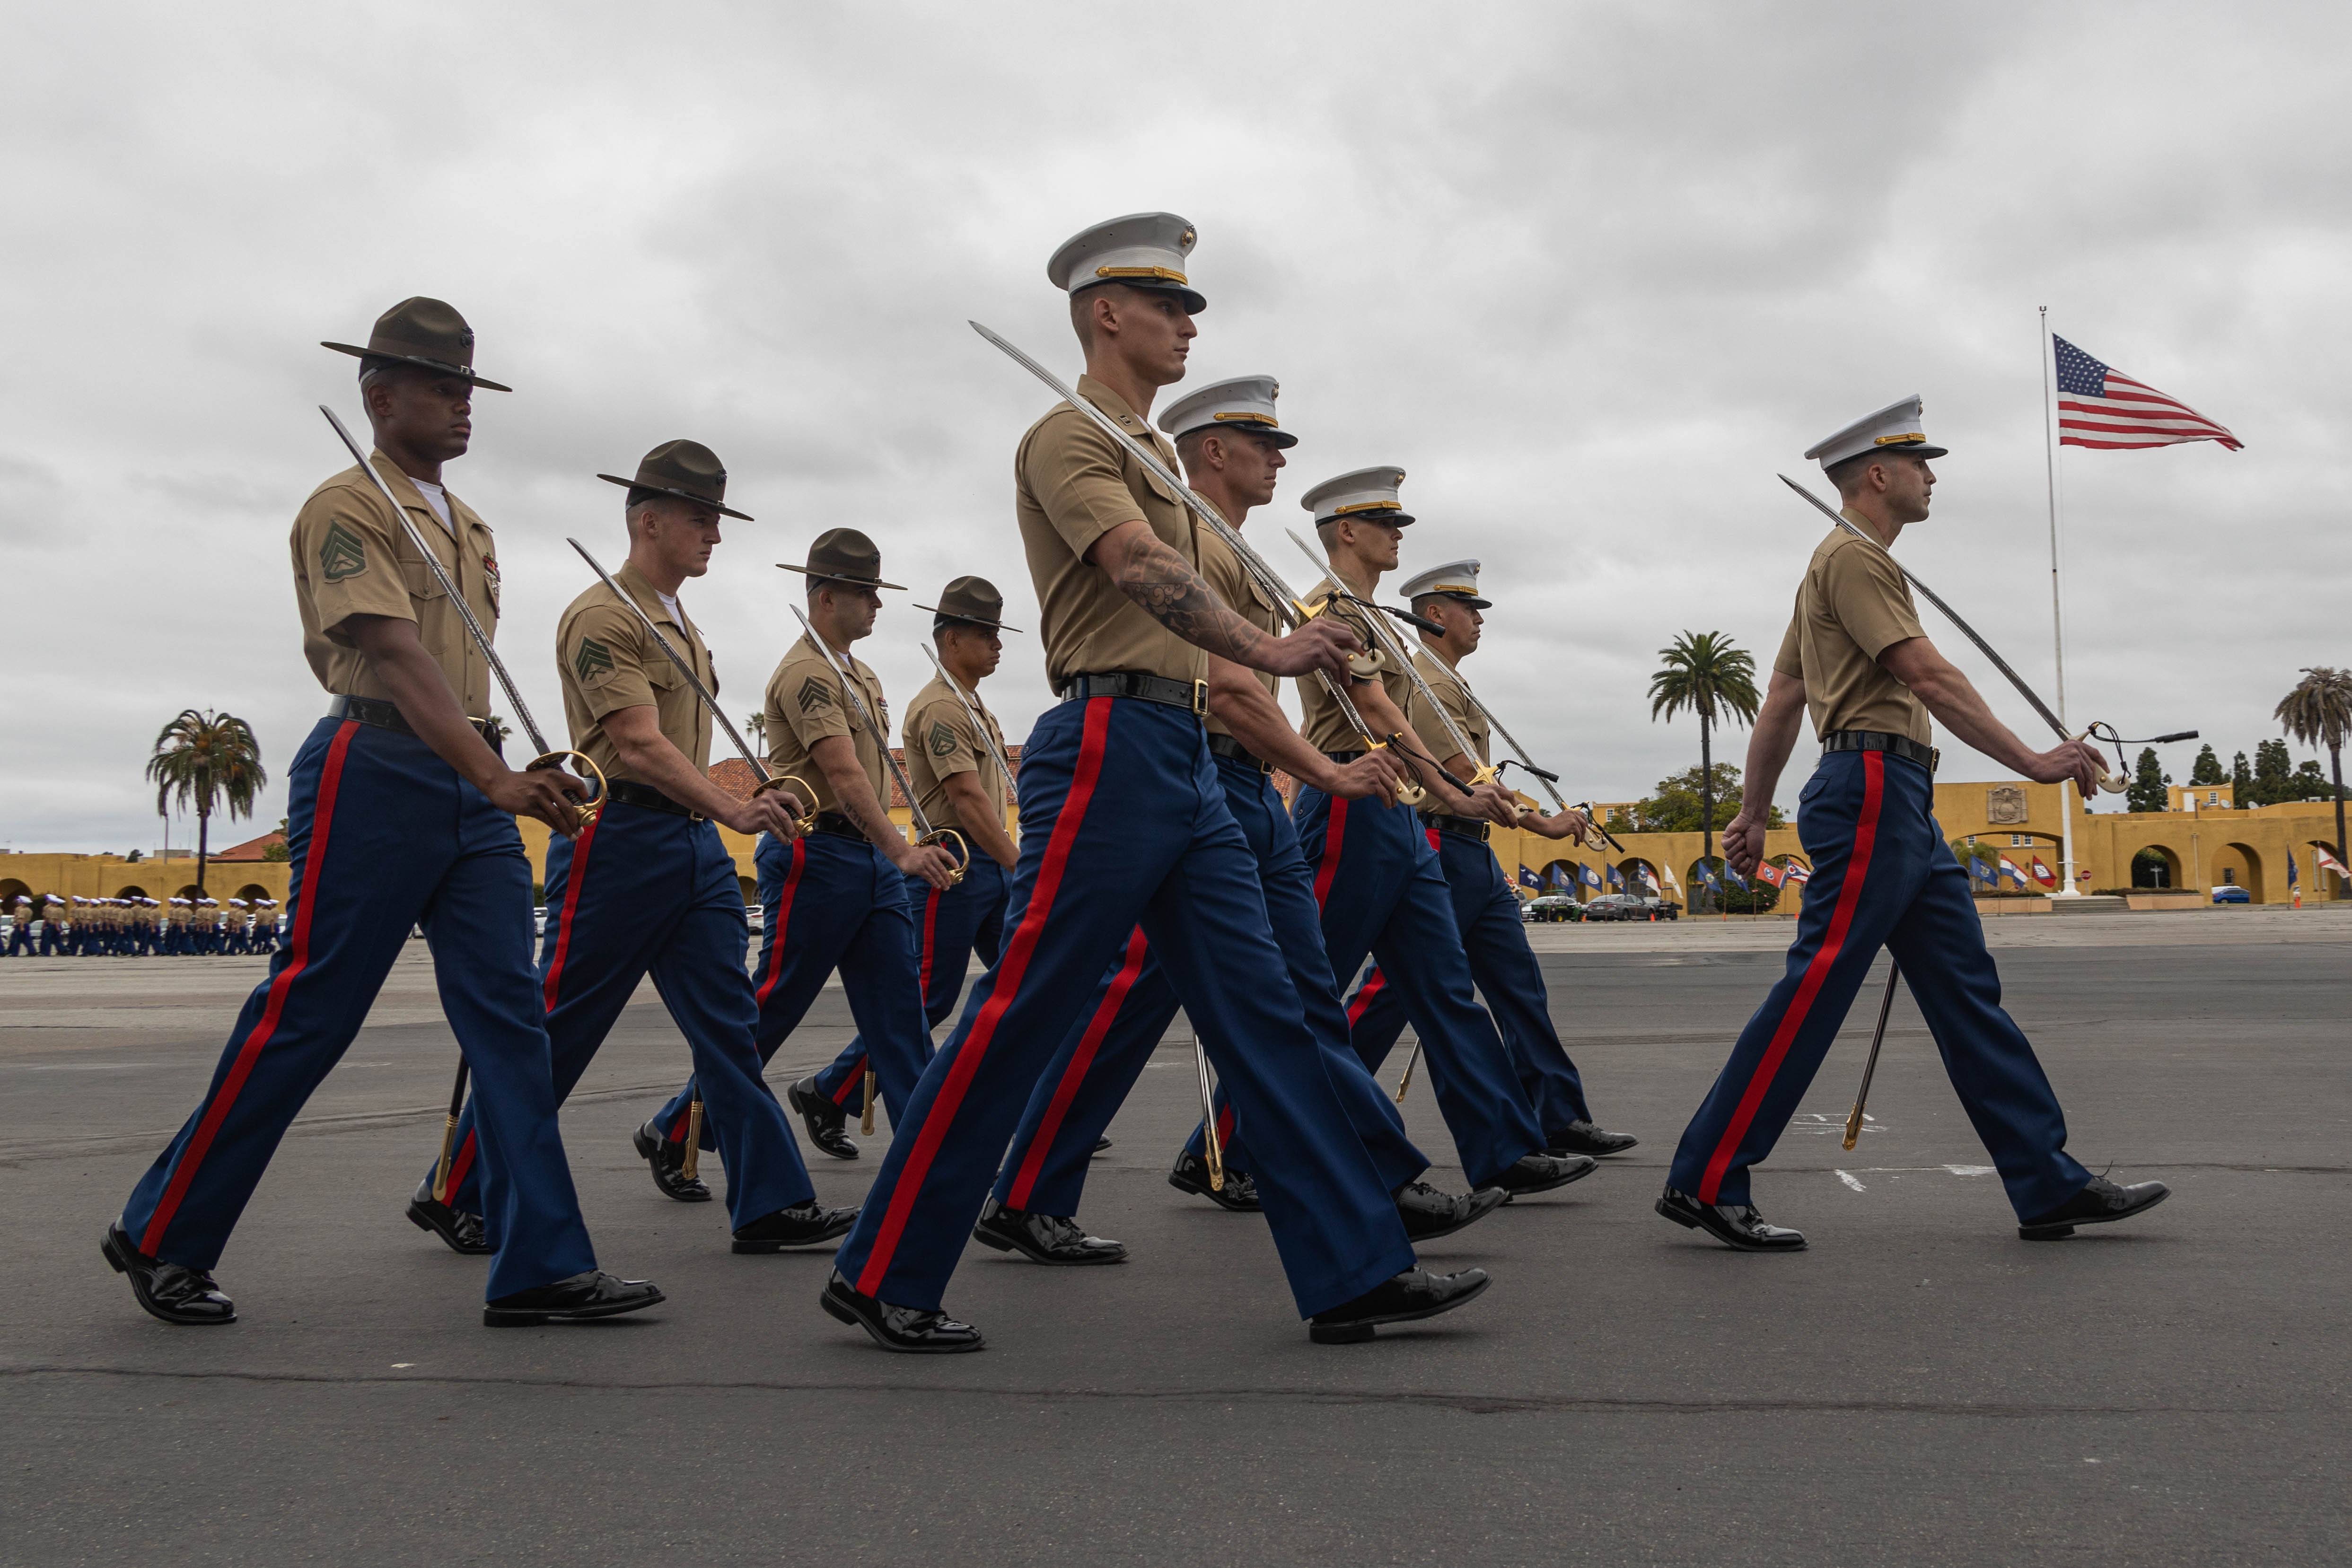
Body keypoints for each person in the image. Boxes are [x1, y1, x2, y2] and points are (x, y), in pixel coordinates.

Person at [821, 213, 1491, 1352]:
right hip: (1107, 744)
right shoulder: (1067, 440)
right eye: (1168, 304)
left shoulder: (1151, 466)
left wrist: (1275, 695)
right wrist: (1276, 653)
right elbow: (1137, 570)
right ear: (1103, 314)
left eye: (1190, 305)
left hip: (1184, 755)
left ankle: (1351, 1269)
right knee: (1026, 1005)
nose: (1187, 321)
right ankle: (883, 1265)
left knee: (1269, 1015)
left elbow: (1198, 611)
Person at [105, 298, 662, 1328]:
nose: (461, 407)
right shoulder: (346, 506)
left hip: (476, 778)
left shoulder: (474, 524)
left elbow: (464, 671)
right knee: (312, 1010)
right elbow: (398, 656)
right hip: (376, 765)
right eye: (441, 388)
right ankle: (164, 1227)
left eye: (467, 389)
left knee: (510, 1021)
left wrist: (501, 768)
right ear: (378, 395)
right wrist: (492, 779)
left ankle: (538, 1257)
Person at [981, 375, 1506, 1262]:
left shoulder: (1234, 556)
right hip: (1194, 773)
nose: (1279, 460)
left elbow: (1261, 695)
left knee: (1289, 1004)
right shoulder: (1198, 550)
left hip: (1233, 783)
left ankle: (1366, 1193)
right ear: (1211, 452)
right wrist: (1327, 779)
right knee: (1129, 1003)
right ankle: (1027, 1185)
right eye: (1262, 445)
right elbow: (1231, 686)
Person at [1659, 395, 2170, 1249]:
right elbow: (1926, 676)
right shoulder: (1855, 560)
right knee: (1818, 985)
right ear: (1877, 475)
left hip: (1897, 796)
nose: (1931, 478)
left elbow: (1784, 697)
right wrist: (2034, 763)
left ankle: (2045, 1183)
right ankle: (1705, 1179)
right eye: (1920, 464)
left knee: (1966, 993)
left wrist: (1752, 812)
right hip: (1869, 786)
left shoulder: (1836, 566)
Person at [402, 439, 853, 1260]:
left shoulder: (682, 622)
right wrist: (734, 809)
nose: (714, 534)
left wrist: (742, 801)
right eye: (699, 519)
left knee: (730, 1027)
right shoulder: (604, 615)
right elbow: (638, 746)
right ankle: (459, 1186)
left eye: (718, 520)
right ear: (647, 521)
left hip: (689, 847)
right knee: (559, 1025)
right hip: (619, 841)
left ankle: (769, 1199)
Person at [1291, 472, 1598, 1197]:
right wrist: (1454, 791)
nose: (1399, 532)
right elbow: (1377, 716)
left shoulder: (1371, 615)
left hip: (1394, 802)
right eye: (1382, 521)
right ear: (1345, 532)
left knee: (1446, 991)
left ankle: (1504, 1146)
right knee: (1313, 990)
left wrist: (1445, 791)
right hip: (1351, 796)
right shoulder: (1328, 608)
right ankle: (1231, 1144)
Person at [646, 529, 958, 1177]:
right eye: (865, 592)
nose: (876, 603)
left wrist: (887, 853)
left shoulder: (859, 672)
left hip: (866, 860)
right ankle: (676, 1128)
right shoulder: (807, 672)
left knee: (900, 1015)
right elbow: (842, 775)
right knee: (774, 1004)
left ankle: (931, 1156)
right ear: (826, 596)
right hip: (818, 854)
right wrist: (901, 850)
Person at [1337, 559, 1638, 1158]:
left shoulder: (1450, 682)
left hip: (1471, 856)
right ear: (1433, 615)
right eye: (1469, 610)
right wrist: (1544, 824)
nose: (1479, 620)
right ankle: (1308, 1095)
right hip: (1442, 847)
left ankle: (1557, 1115)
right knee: (1390, 996)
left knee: (1518, 989)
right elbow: (1461, 780)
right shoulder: (1430, 684)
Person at [788, 577, 1021, 1161]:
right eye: (985, 634)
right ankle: (830, 1088)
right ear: (949, 640)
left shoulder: (972, 705)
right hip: (957, 864)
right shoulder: (940, 707)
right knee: (923, 999)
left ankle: (1042, 1104)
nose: (998, 645)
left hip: (987, 865)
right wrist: (1020, 863)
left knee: (1023, 983)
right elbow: (966, 798)